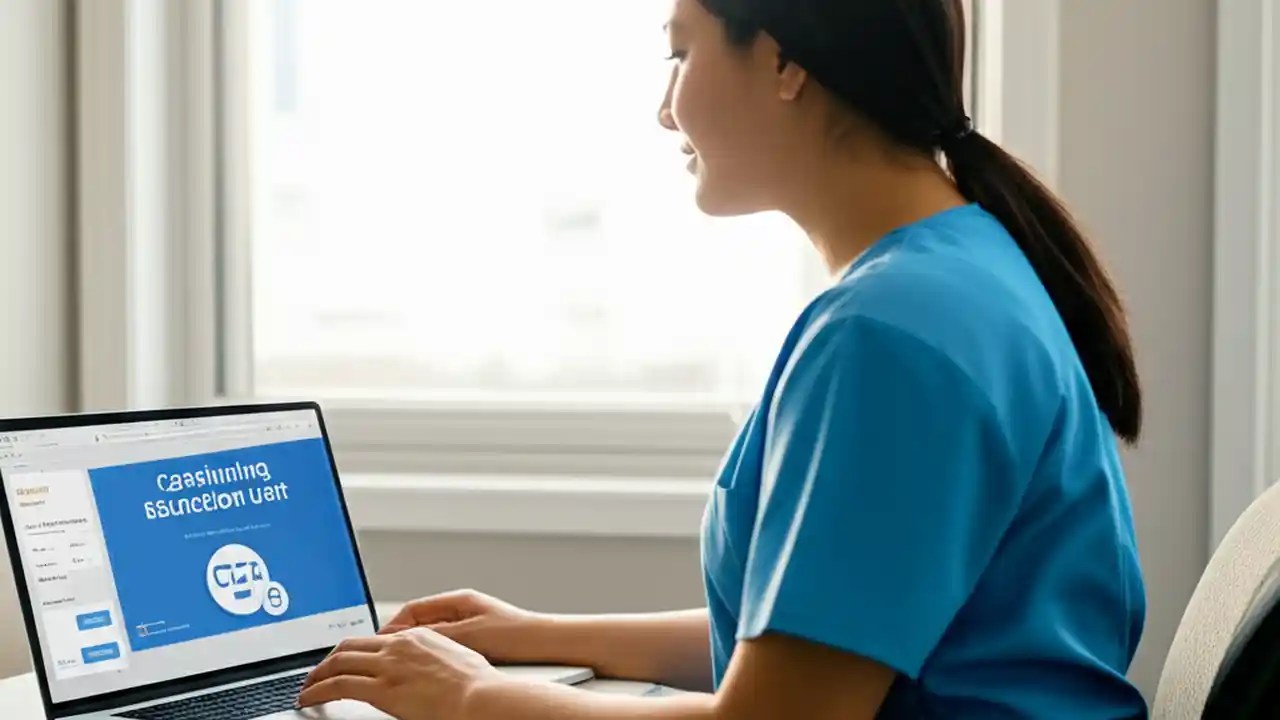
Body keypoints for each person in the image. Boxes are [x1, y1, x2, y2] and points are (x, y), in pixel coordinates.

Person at [297, 0, 1148, 717]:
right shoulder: (963, 266)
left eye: (680, 54)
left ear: (783, 62)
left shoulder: (889, 333)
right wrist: (533, 634)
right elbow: (812, 646)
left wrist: (477, 699)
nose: (666, 109)